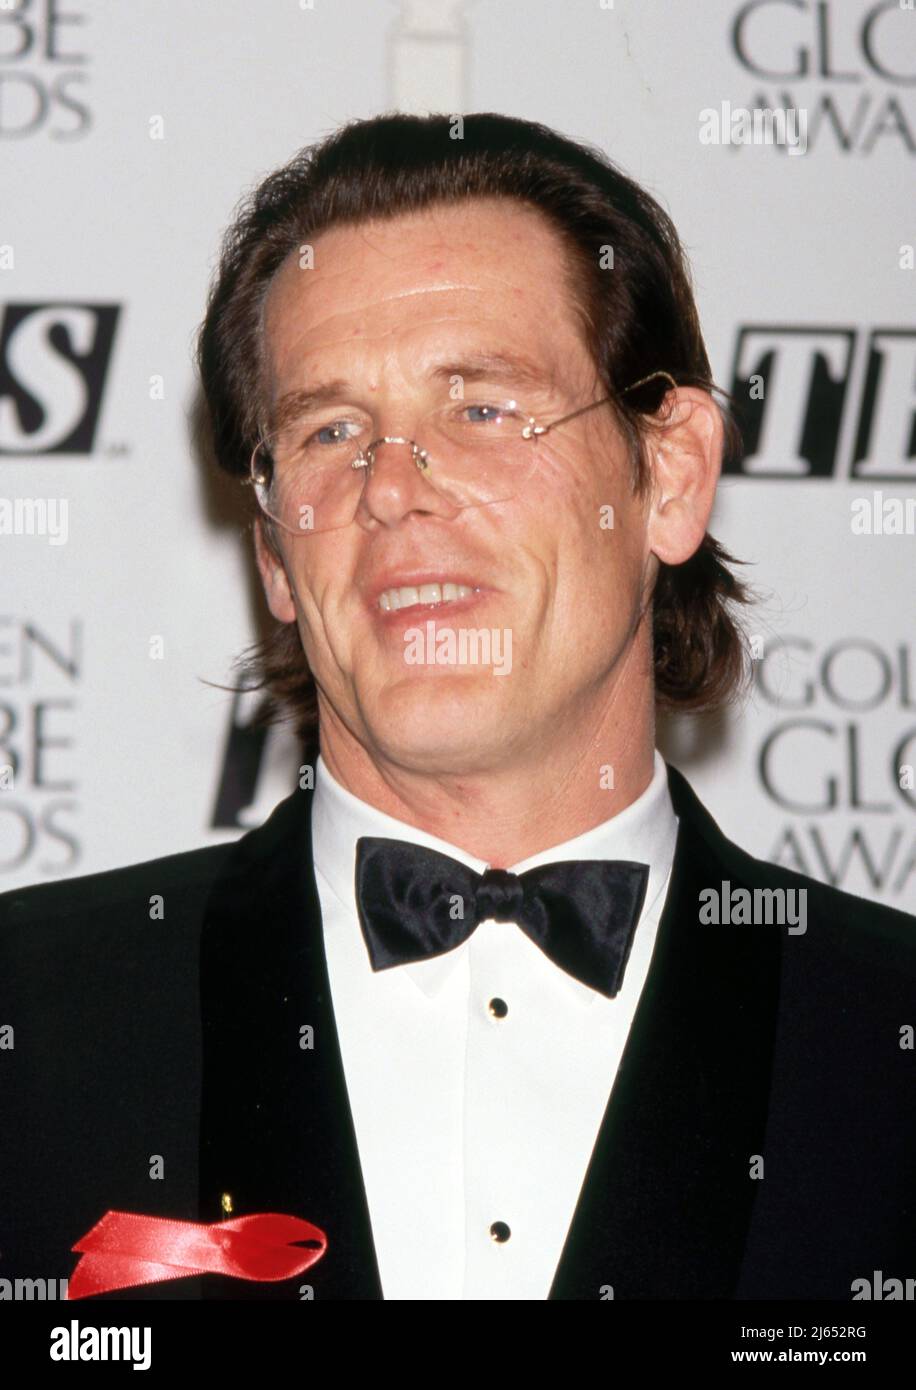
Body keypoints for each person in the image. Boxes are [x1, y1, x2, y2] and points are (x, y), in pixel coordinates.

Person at [1, 113, 913, 1303]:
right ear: (274, 550)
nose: (390, 489)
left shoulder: (883, 1034)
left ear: (671, 475)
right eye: (329, 430)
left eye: (482, 409)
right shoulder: (32, 1021)